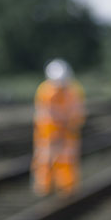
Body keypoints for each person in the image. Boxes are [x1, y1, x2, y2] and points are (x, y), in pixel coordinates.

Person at [32, 58, 85, 196]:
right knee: (44, 161)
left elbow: (77, 115)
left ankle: (67, 189)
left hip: (67, 136)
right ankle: (44, 188)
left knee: (66, 161)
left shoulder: (73, 92)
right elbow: (42, 116)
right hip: (48, 135)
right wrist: (51, 134)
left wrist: (66, 129)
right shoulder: (44, 92)